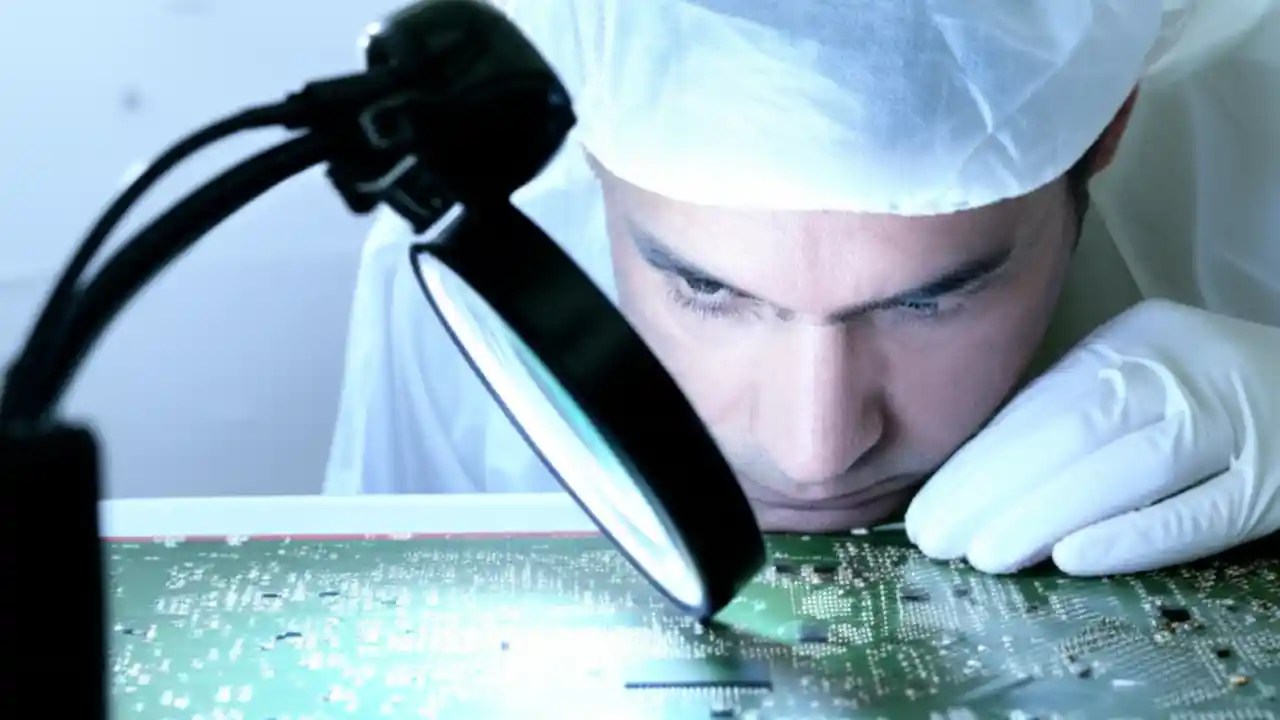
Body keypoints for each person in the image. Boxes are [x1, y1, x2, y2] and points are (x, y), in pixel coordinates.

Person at [324, 0, 1280, 577]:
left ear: (1108, 130)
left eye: (926, 299)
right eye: (704, 288)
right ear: (586, 157)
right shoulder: (472, 255)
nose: (816, 453)